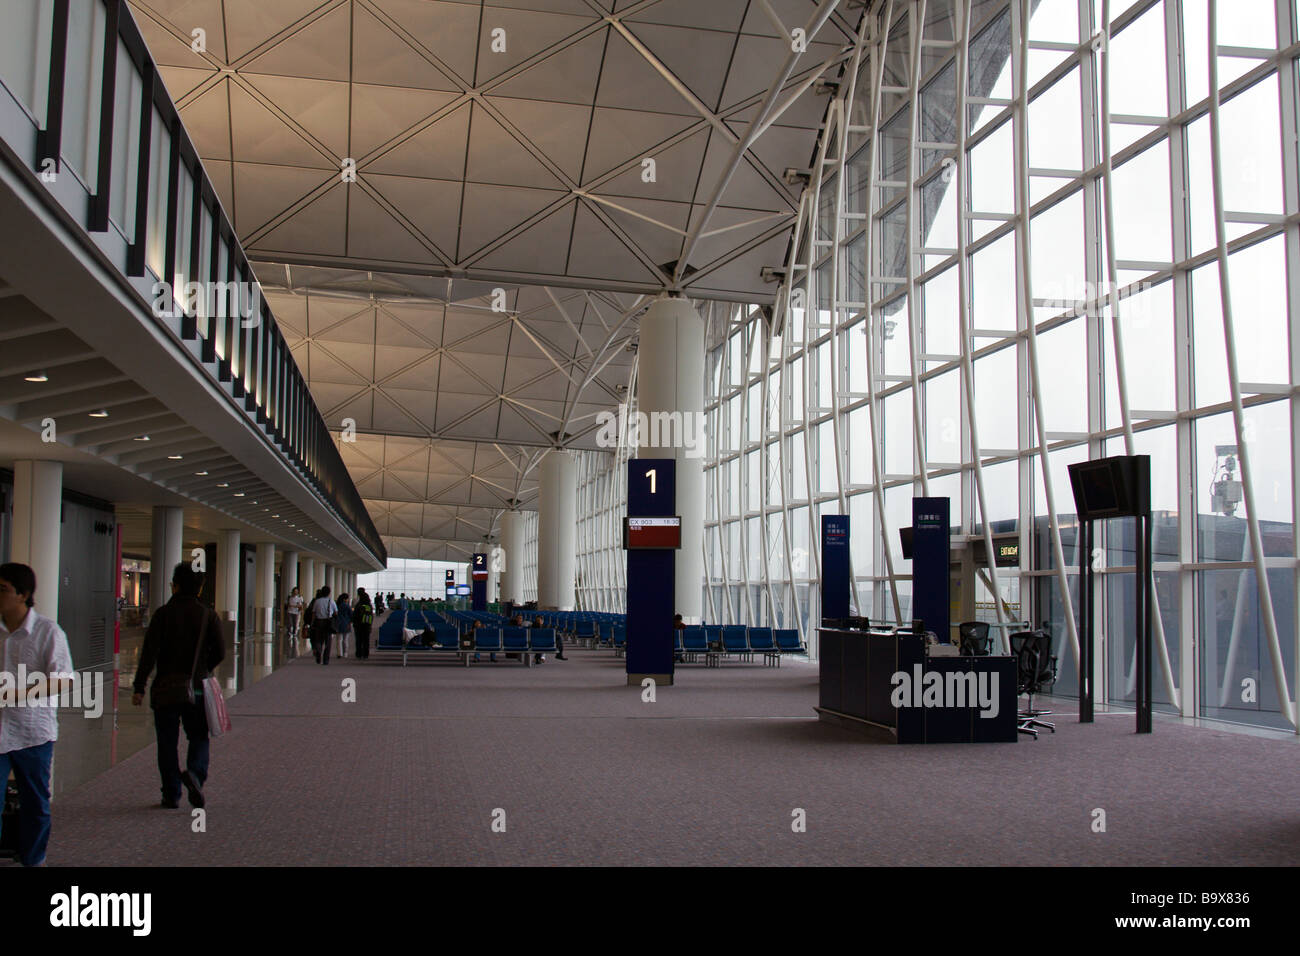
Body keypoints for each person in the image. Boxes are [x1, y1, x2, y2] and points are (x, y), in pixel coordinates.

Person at [131, 563, 224, 811]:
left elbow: (148, 654)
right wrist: (204, 669)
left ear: (176, 585)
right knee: (198, 736)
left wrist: (139, 686)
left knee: (167, 742)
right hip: (195, 688)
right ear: (199, 588)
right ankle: (194, 774)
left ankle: (171, 793)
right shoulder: (208, 615)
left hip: (165, 689)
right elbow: (221, 651)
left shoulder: (162, 614)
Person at [0, 562, 73, 865]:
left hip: (33, 732)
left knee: (35, 803)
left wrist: (20, 693)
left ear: (23, 594)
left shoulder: (47, 631)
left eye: (3, 590)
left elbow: (65, 679)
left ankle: (34, 860)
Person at [309, 587, 337, 664]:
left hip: (318, 622)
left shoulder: (317, 601)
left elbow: (313, 613)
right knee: (328, 642)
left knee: (318, 639)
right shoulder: (331, 601)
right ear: (329, 593)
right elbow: (336, 612)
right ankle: (326, 660)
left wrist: (312, 623)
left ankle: (318, 652)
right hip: (328, 622)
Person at [353, 589, 373, 660]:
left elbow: (354, 615)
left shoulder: (358, 605)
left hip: (358, 625)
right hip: (367, 625)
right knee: (366, 640)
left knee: (359, 640)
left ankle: (359, 654)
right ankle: (366, 654)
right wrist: (370, 625)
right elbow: (371, 616)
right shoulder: (369, 605)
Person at [334, 593, 353, 659]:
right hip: (346, 624)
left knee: (339, 640)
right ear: (345, 599)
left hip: (338, 624)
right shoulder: (347, 606)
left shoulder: (337, 605)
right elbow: (351, 615)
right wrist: (350, 622)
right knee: (345, 640)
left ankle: (339, 653)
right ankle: (345, 653)